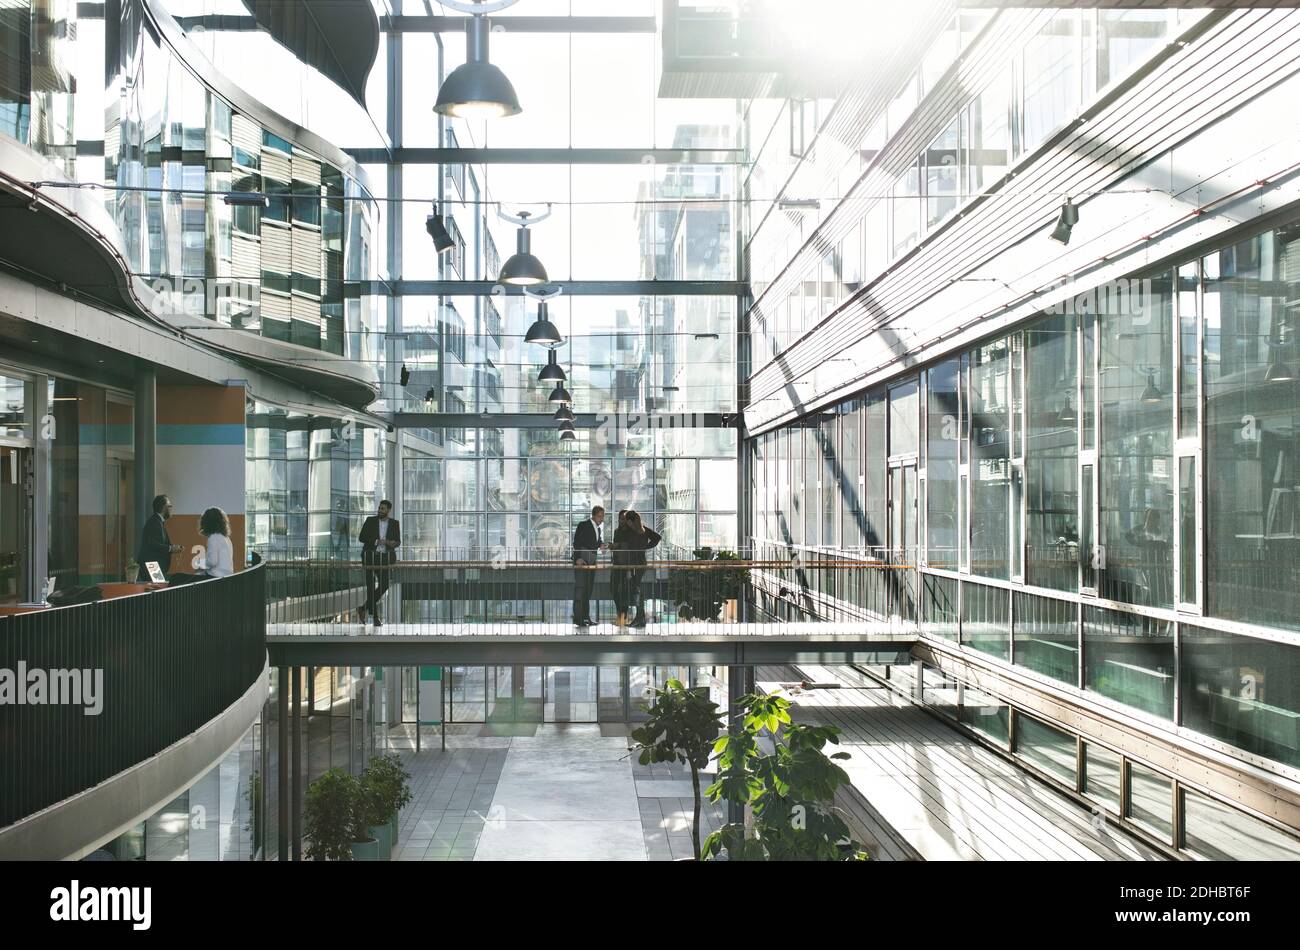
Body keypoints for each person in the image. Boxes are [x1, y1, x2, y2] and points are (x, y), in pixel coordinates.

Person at [612, 509, 661, 627]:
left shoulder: (633, 532)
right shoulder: (642, 529)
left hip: (634, 565)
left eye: (627, 521)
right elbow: (657, 538)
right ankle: (639, 618)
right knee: (637, 589)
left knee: (636, 590)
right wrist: (645, 547)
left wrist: (644, 547)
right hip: (640, 563)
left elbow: (630, 550)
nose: (626, 523)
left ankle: (640, 619)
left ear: (630, 521)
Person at [358, 500, 401, 627]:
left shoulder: (394, 524)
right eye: (379, 508)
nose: (380, 510)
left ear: (388, 510)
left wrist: (391, 543)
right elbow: (362, 537)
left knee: (384, 585)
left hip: (385, 558)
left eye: (383, 509)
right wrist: (377, 541)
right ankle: (375, 618)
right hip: (370, 557)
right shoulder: (370, 520)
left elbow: (398, 541)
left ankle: (363, 608)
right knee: (371, 588)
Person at [168, 507, 235, 585]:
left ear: (207, 523)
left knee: (176, 577)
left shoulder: (213, 537)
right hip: (226, 579)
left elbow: (212, 561)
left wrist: (199, 563)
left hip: (215, 579)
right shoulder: (226, 538)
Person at [571, 505, 609, 627]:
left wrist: (601, 545)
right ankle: (578, 618)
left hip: (592, 561)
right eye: (600, 516)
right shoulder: (583, 525)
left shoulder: (597, 529)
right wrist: (577, 558)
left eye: (602, 516)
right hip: (582, 560)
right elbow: (576, 542)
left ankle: (586, 617)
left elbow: (596, 542)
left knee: (588, 591)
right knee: (581, 590)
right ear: (593, 515)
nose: (602, 519)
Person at [136, 494, 182, 582]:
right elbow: (153, 544)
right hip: (152, 566)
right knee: (157, 593)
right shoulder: (155, 522)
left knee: (157, 592)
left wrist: (171, 549)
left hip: (153, 566)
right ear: (164, 507)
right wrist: (170, 548)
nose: (171, 508)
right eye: (170, 506)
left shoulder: (157, 521)